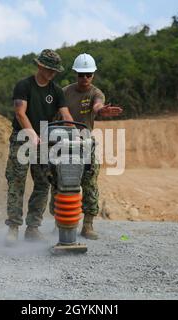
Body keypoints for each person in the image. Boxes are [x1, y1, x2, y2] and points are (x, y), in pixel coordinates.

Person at [50, 53, 123, 240]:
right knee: (58, 182)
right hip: (62, 142)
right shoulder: (65, 92)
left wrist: (102, 110)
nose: (85, 78)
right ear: (75, 74)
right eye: (81, 74)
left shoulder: (96, 93)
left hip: (84, 142)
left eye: (88, 74)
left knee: (90, 182)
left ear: (93, 75)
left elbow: (98, 106)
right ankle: (60, 222)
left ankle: (88, 225)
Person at [5, 49, 73, 245]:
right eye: (49, 69)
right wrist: (31, 133)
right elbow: (20, 112)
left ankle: (33, 228)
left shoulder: (56, 91)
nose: (53, 73)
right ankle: (13, 228)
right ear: (40, 66)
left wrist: (73, 133)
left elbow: (66, 116)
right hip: (22, 137)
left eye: (55, 70)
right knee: (16, 182)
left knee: (43, 184)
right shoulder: (24, 86)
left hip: (44, 139)